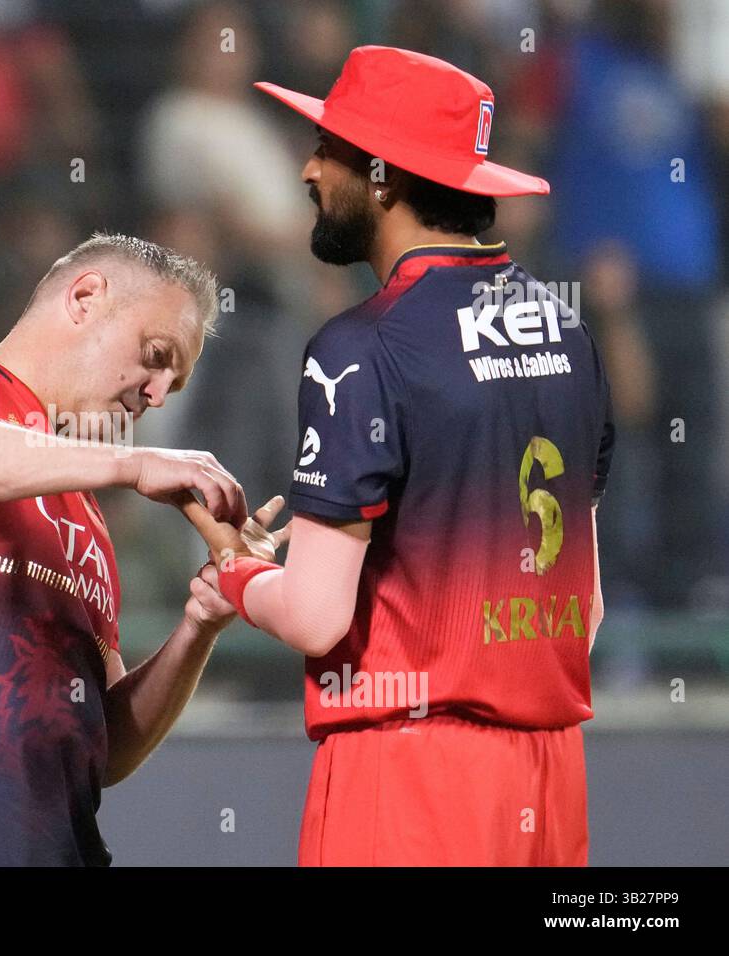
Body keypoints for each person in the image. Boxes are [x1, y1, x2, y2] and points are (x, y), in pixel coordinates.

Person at [193, 47, 615, 865]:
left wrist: (237, 575)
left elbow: (317, 614)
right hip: (550, 779)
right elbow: (584, 612)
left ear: (383, 177)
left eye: (331, 149)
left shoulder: (362, 345)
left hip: (409, 781)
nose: (310, 169)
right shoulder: (567, 330)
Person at [0, 233, 272, 865]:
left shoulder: (87, 514)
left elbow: (104, 749)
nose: (156, 395)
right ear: (85, 296)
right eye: (155, 356)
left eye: (173, 386)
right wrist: (130, 463)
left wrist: (200, 623)